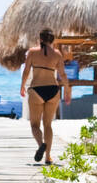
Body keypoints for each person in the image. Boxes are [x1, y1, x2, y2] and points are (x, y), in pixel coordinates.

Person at [20, 29, 71, 164]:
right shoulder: (57, 54)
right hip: (53, 90)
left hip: (37, 89)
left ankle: (41, 144)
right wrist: (67, 90)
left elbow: (26, 72)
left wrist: (22, 87)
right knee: (48, 124)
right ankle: (48, 156)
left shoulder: (32, 52)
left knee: (35, 125)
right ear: (52, 40)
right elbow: (63, 75)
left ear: (40, 39)